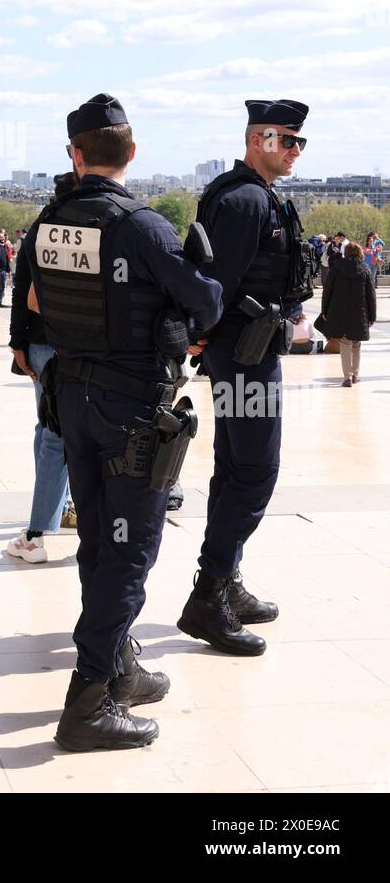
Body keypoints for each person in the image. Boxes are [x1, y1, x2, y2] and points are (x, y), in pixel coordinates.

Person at [23, 94, 222, 752]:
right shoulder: (142, 225)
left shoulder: (47, 222)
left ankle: (118, 668)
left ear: (73, 154)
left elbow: (29, 299)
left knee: (99, 544)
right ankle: (85, 707)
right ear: (130, 153)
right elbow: (205, 302)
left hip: (71, 399)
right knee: (128, 552)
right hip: (130, 407)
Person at [177, 99, 314, 656]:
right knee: (255, 469)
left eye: (300, 141)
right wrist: (200, 333)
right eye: (286, 140)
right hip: (245, 355)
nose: (295, 151)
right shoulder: (243, 201)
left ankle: (226, 580)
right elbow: (215, 283)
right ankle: (210, 596)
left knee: (236, 468)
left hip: (244, 351)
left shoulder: (247, 194)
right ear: (258, 140)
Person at [7, 171, 75, 563]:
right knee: (59, 434)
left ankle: (47, 517)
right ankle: (46, 522)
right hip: (76, 344)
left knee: (47, 429)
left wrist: (18, 342)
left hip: (40, 343)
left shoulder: (41, 228)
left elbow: (21, 287)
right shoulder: (98, 224)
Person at [320, 241, 376, 386]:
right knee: (356, 343)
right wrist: (372, 316)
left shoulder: (337, 267)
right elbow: (371, 294)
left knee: (344, 342)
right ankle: (356, 375)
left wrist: (324, 310)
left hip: (339, 309)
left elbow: (328, 290)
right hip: (360, 311)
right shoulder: (365, 268)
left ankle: (346, 377)